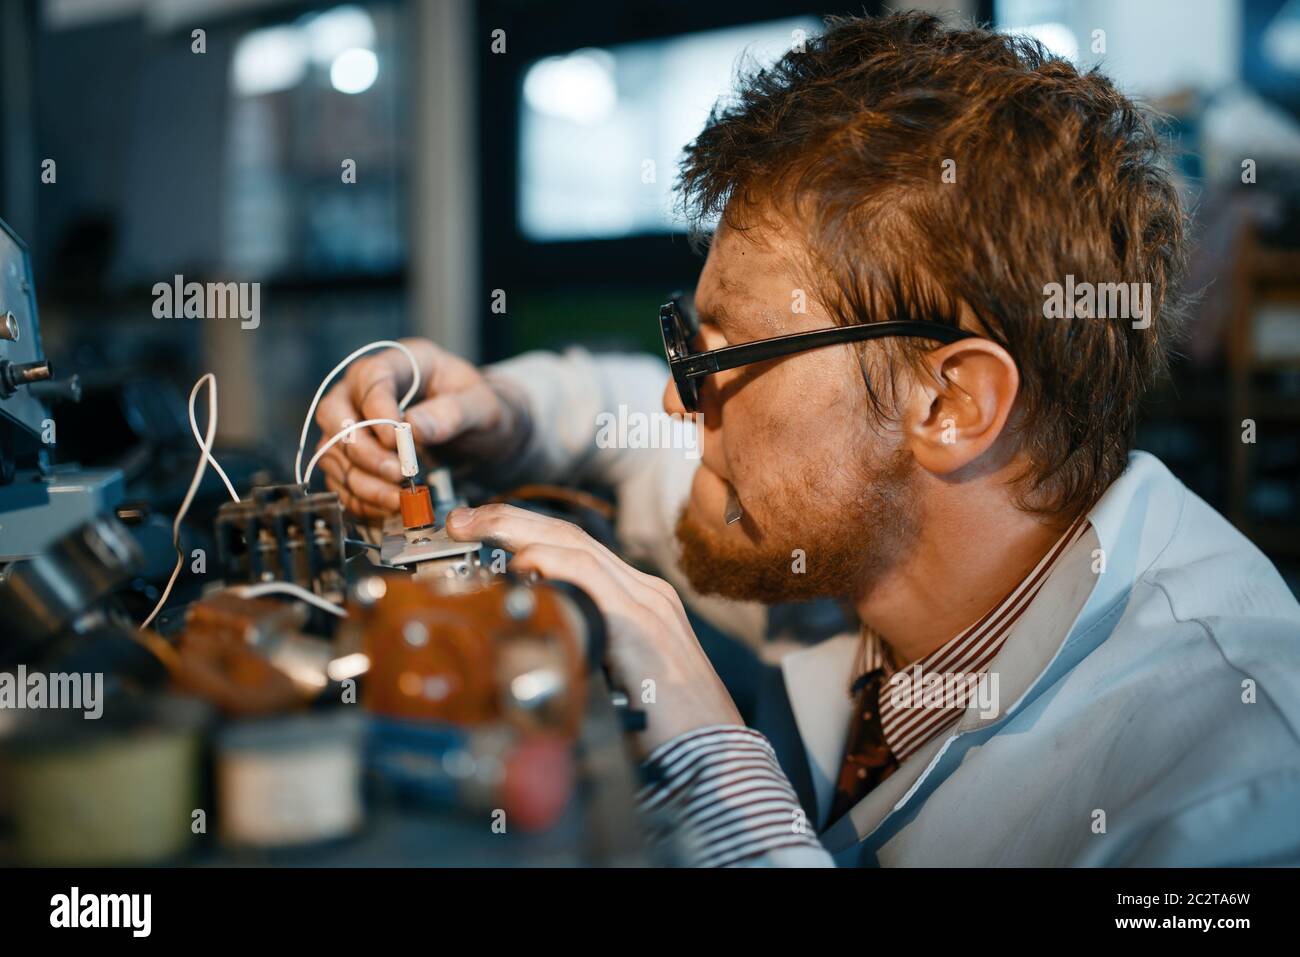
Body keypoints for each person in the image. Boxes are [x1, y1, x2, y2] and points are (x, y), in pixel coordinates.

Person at [313, 12, 1300, 866]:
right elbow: (605, 420)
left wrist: (709, 757)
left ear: (949, 403)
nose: (673, 405)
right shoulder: (869, 526)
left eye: (715, 357)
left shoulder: (1236, 789)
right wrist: (497, 410)